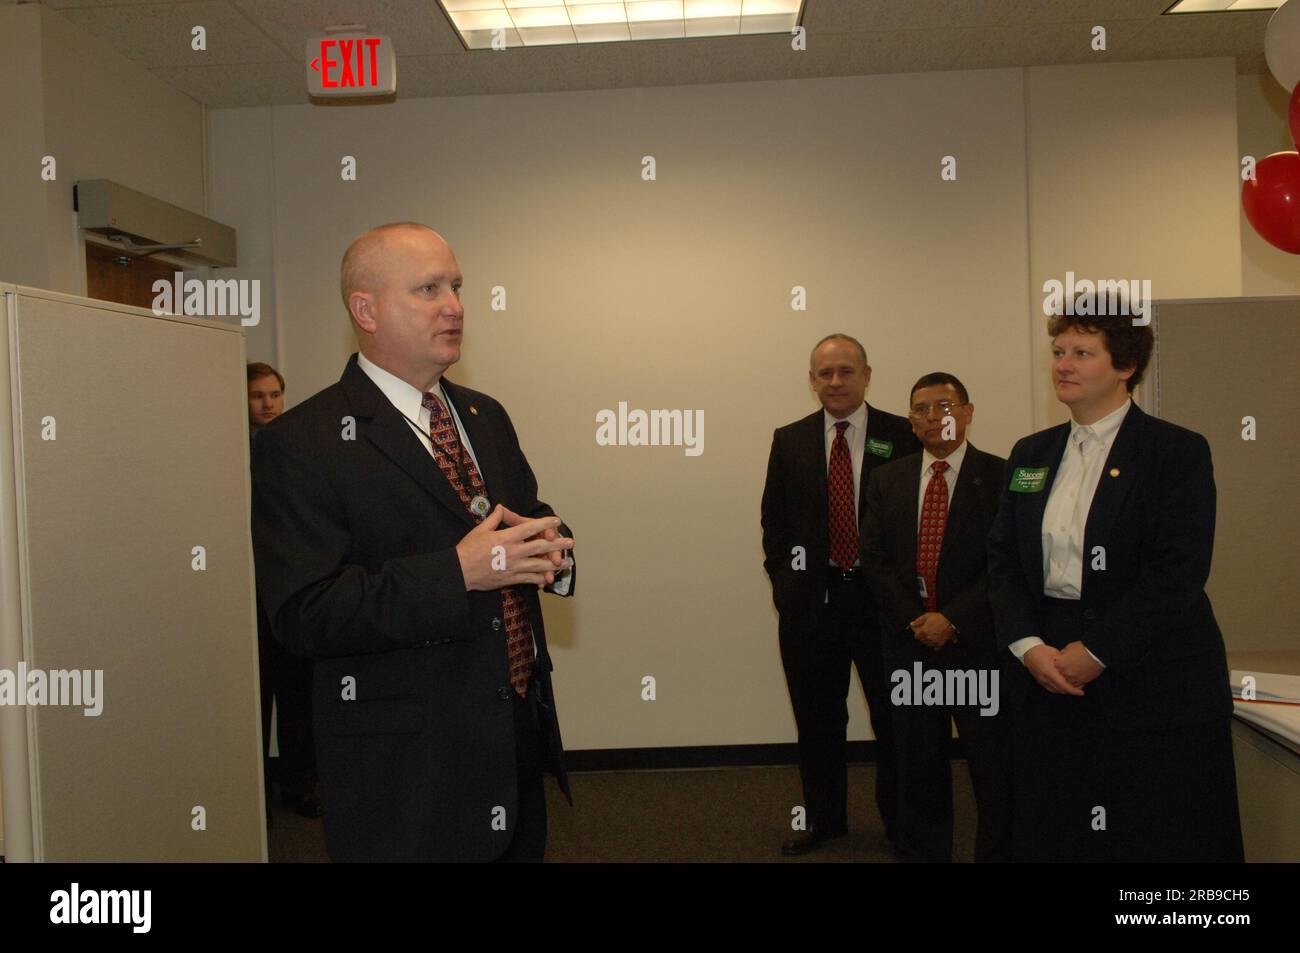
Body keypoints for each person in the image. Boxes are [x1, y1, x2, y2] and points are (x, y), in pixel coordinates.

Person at [250, 222, 575, 862]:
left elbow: (531, 517)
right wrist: (457, 572)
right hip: (404, 773)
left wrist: (554, 551)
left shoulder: (485, 414)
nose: (454, 306)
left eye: (455, 286)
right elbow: (303, 613)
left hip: (511, 742)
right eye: (428, 289)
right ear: (365, 310)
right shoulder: (304, 441)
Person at [986, 310, 1243, 862]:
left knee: (1154, 834)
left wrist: (1099, 651)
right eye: (1058, 352)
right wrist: (1029, 647)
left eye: (1082, 353)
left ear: (1125, 366)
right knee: (1059, 826)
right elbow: (1003, 561)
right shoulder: (1030, 453)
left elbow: (1178, 573)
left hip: (1150, 672)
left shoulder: (1175, 451)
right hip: (1048, 665)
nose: (1063, 365)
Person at [761, 333, 920, 856]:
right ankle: (824, 821)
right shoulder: (790, 439)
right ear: (812, 381)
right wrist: (787, 585)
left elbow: (916, 520)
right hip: (812, 606)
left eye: (846, 371)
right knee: (817, 719)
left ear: (867, 375)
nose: (835, 381)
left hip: (883, 605)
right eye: (824, 373)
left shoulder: (902, 435)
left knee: (893, 719)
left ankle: (900, 824)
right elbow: (775, 523)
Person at [862, 372, 1011, 862]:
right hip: (911, 646)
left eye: (944, 406)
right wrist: (916, 619)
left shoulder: (1001, 476)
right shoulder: (887, 479)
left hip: (976, 645)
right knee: (918, 763)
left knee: (991, 764)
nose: (933, 417)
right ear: (910, 420)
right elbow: (876, 559)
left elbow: (1005, 563)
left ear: (967, 413)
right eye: (921, 409)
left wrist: (952, 617)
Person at [247, 362, 322, 822]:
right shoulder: (224, 451)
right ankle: (252, 792)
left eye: (275, 394)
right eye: (257, 395)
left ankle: (301, 785)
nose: (268, 403)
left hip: (293, 590)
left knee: (300, 692)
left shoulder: (299, 447)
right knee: (253, 695)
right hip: (247, 591)